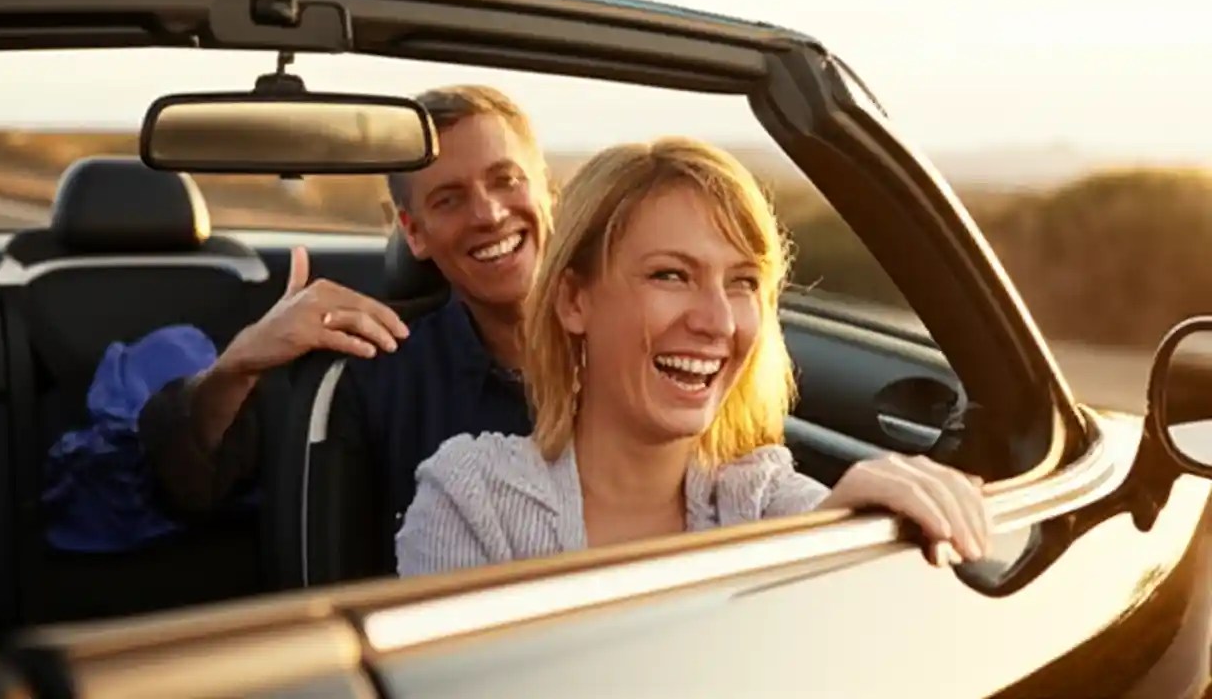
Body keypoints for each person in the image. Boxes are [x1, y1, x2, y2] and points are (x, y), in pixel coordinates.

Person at [395, 137, 992, 576]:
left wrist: (841, 528)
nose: (717, 322)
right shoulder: (472, 500)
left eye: (741, 283)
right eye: (671, 275)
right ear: (575, 300)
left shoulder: (760, 497)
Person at [140, 85, 554, 562]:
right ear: (414, 233)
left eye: (506, 180)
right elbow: (183, 485)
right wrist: (240, 364)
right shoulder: (372, 372)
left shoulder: (628, 341)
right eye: (448, 200)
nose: (489, 213)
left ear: (547, 190)